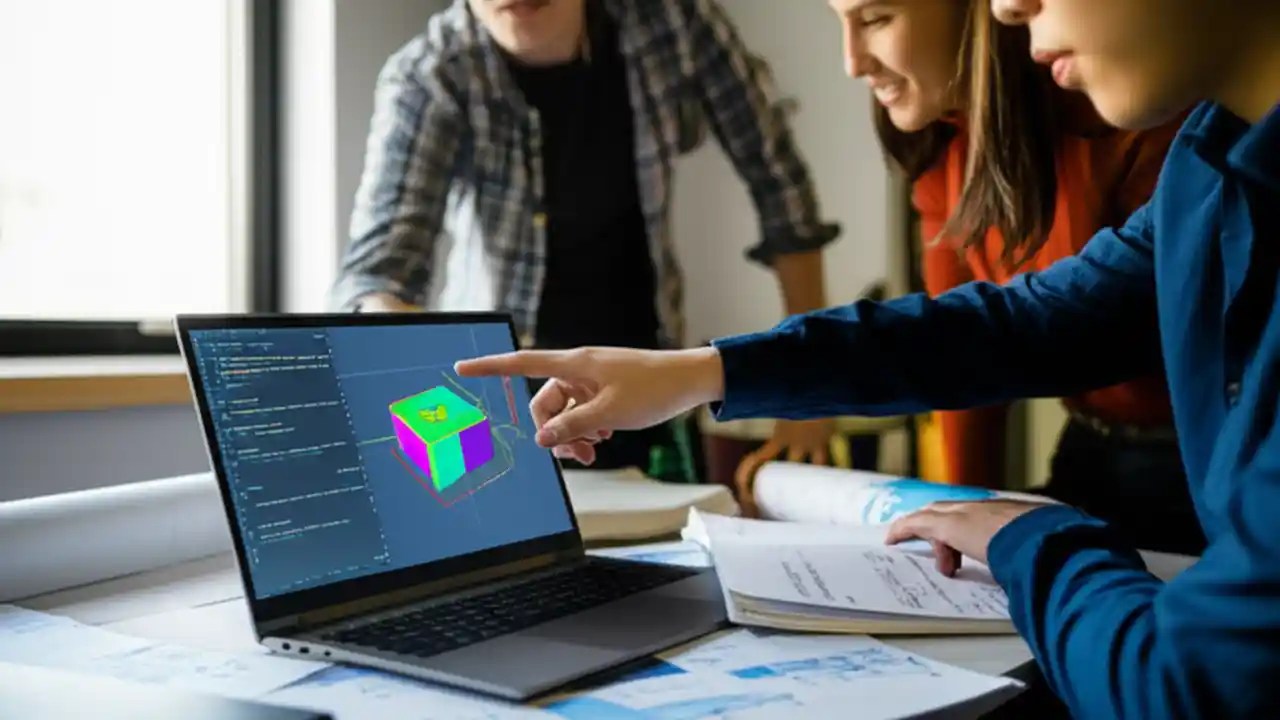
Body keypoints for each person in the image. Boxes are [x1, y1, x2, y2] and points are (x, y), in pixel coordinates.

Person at [456, 0, 1280, 714]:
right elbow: (1027, 324)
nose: (1002, 11)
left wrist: (1037, 536)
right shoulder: (1208, 164)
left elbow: (1185, 688)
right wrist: (704, 370)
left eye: (876, 17)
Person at [732, 0, 1203, 556]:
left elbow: (1025, 333)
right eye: (839, 23)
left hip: (1199, 468)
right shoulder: (943, 145)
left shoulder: (1135, 114)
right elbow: (960, 351)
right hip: (1090, 451)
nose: (853, 64)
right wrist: (957, 520)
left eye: (876, 20)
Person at [330, 0, 841, 472]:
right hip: (497, 418)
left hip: (653, 386)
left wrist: (810, 384)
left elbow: (781, 188)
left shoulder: (673, 22)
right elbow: (377, 276)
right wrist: (440, 419)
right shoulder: (429, 74)